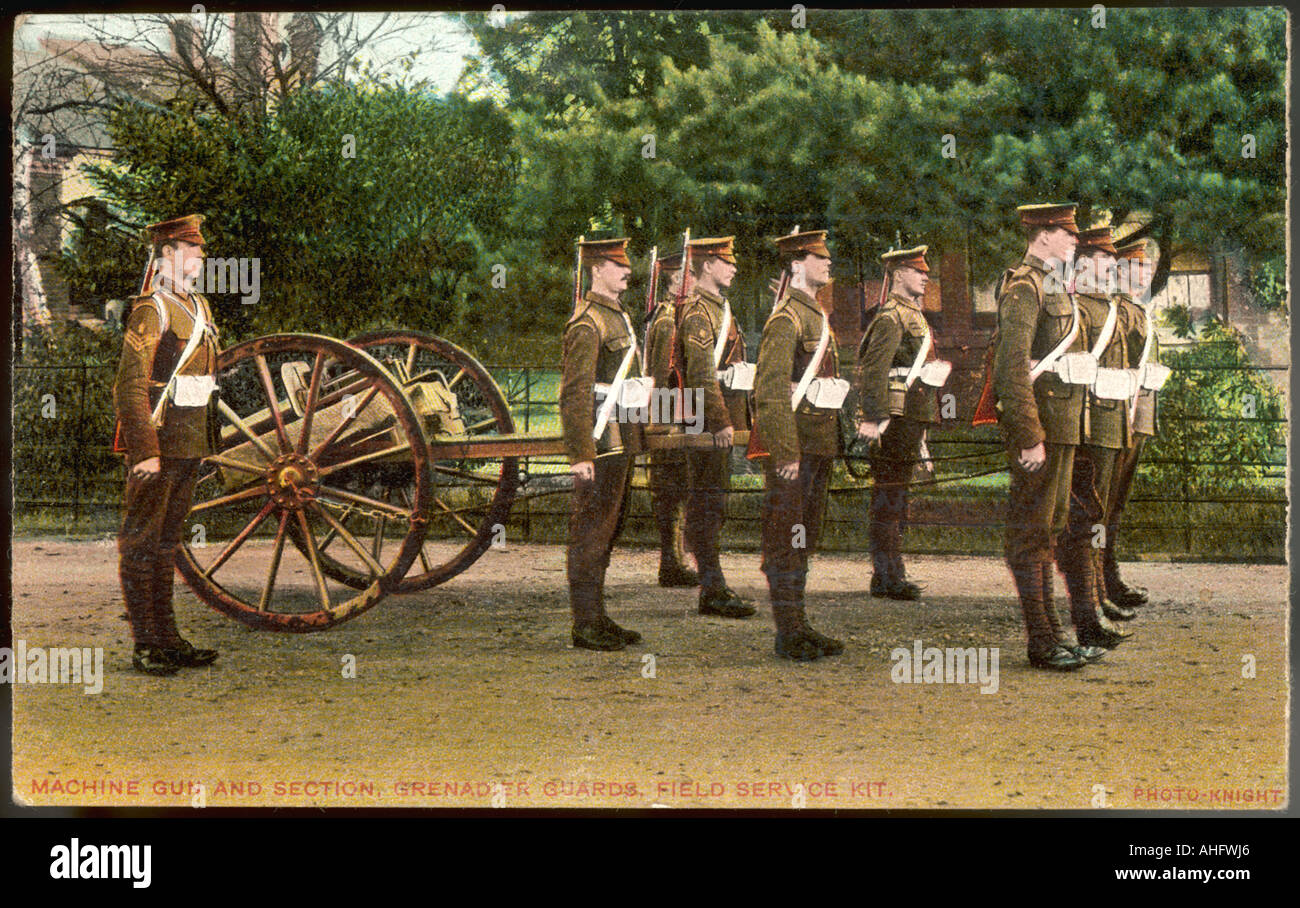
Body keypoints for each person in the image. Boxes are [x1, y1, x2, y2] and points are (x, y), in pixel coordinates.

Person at [992, 203, 1100, 671]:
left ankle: (1055, 634)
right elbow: (1011, 367)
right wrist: (1029, 435)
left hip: (1063, 426)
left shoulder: (1054, 285)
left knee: (1050, 529)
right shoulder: (1024, 286)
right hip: (1042, 429)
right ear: (1042, 235)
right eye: (1066, 233)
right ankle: (1040, 640)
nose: (1075, 241)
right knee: (1032, 531)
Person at [113, 214, 221, 676]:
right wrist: (145, 452)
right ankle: (145, 644)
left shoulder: (199, 307)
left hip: (189, 442)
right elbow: (129, 386)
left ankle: (169, 639)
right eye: (193, 251)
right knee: (142, 542)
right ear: (168, 255)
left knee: (166, 544)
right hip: (159, 445)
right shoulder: (151, 310)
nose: (201, 258)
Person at [753, 229, 847, 661]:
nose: (827, 263)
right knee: (785, 534)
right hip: (795, 447)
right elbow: (770, 392)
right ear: (795, 264)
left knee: (803, 535)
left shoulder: (816, 315)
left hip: (819, 441)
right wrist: (785, 452)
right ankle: (787, 631)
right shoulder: (786, 319)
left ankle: (799, 623)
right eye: (817, 257)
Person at [560, 237, 646, 651]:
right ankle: (585, 623)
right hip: (599, 438)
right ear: (596, 270)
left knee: (609, 528)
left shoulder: (618, 316)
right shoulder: (588, 322)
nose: (627, 271)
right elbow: (575, 392)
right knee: (591, 528)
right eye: (617, 264)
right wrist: (580, 454)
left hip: (622, 434)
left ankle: (598, 615)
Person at [1056, 224, 1133, 646]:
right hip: (1089, 424)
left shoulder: (1106, 306)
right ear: (1084, 263)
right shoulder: (1077, 308)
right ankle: (1088, 604)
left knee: (1099, 516)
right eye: (1106, 260)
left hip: (1112, 421)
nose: (1112, 266)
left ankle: (1099, 594)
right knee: (1086, 515)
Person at [855, 245, 945, 600]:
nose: (925, 276)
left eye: (925, 271)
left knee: (898, 496)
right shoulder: (892, 316)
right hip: (895, 418)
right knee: (889, 496)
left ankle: (889, 571)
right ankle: (888, 574)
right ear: (898, 275)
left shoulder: (914, 314)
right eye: (917, 271)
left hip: (912, 414)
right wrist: (874, 419)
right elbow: (874, 370)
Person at [674, 236, 755, 618]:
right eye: (726, 261)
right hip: (704, 420)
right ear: (706, 266)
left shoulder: (720, 309)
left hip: (716, 415)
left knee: (713, 500)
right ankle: (712, 588)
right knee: (707, 502)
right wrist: (721, 421)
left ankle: (713, 583)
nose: (734, 267)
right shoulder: (698, 313)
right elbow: (702, 375)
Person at [1103, 237, 1161, 611]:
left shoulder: (1138, 310)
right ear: (1119, 272)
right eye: (1135, 268)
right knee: (1104, 503)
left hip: (1138, 417)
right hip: (1118, 415)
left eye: (1146, 268)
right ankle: (1103, 580)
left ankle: (1109, 575)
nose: (1143, 274)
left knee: (1117, 502)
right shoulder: (1118, 312)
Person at [643, 250, 699, 588]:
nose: (692, 282)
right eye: (687, 276)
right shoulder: (668, 320)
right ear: (674, 280)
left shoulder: (683, 316)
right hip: (669, 408)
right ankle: (671, 562)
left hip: (688, 405)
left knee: (684, 488)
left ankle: (677, 560)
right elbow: (661, 376)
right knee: (671, 489)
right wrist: (665, 423)